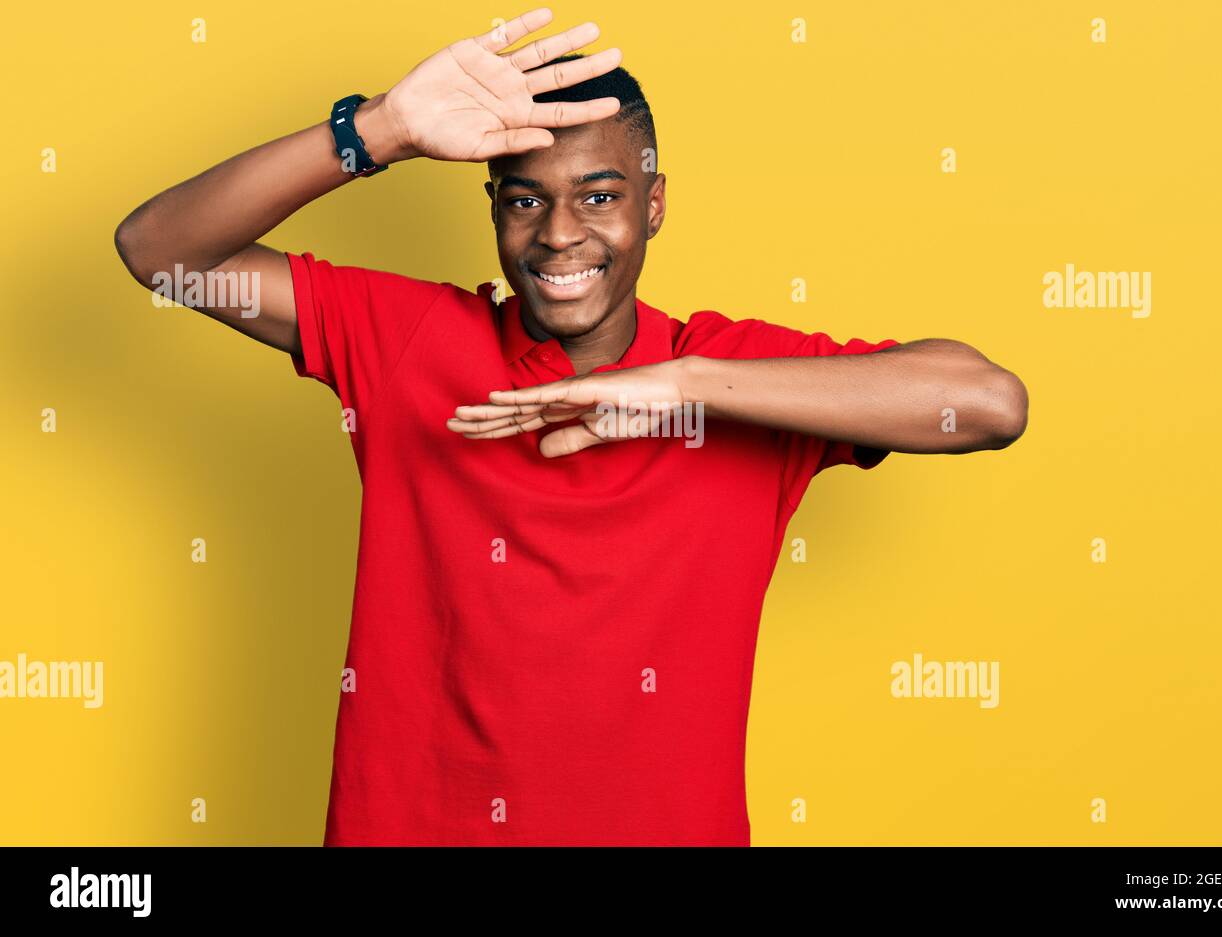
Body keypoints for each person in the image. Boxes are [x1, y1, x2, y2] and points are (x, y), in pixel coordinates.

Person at [113, 7, 1028, 846]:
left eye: (599, 196)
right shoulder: (410, 343)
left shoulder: (741, 376)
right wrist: (377, 129)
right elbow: (159, 251)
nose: (558, 234)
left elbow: (990, 403)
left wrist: (691, 388)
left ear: (653, 203)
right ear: (496, 211)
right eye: (524, 199)